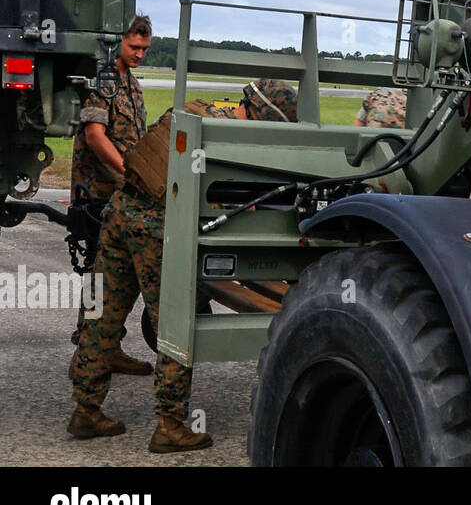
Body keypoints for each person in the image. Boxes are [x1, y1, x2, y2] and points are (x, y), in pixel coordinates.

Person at [67, 79, 298, 452]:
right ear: (263, 114)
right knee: (175, 322)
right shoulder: (229, 140)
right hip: (158, 229)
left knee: (101, 313)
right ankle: (170, 424)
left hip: (121, 212)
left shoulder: (198, 108)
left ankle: (85, 408)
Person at [68, 13, 153, 374]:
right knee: (98, 274)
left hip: (122, 192)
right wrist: (128, 173)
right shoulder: (103, 81)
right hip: (98, 192)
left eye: (145, 49)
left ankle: (106, 347)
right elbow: (94, 136)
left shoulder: (132, 84)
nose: (139, 54)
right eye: (134, 46)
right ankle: (86, 354)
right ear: (118, 40)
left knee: (115, 274)